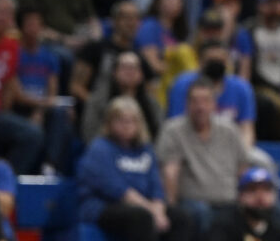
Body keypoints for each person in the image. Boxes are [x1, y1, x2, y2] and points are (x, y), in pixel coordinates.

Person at [77, 96, 194, 241]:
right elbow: (117, 190)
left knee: (182, 218)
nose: (126, 125)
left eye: (132, 121)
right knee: (141, 218)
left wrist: (159, 209)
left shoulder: (146, 149)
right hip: (104, 206)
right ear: (109, 123)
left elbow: (156, 185)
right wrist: (152, 210)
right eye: (120, 120)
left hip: (143, 206)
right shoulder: (99, 148)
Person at [157, 77, 250, 234]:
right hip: (192, 202)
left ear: (214, 104)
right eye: (195, 101)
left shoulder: (229, 130)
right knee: (203, 214)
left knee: (273, 211)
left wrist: (247, 198)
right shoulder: (173, 131)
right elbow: (169, 171)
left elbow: (243, 168)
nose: (200, 107)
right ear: (187, 104)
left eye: (206, 101)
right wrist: (170, 207)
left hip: (229, 201)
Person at [7, 5, 70, 173]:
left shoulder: (50, 56)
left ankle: (50, 165)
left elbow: (52, 90)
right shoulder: (14, 53)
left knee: (59, 114)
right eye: (29, 24)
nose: (34, 28)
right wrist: (39, 107)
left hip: (42, 106)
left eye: (38, 24)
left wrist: (40, 110)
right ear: (20, 27)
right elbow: (16, 94)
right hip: (18, 106)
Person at [237, 0, 280, 141]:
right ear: (260, 6)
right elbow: (248, 68)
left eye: (278, 3)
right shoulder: (250, 30)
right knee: (269, 104)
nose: (274, 8)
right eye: (269, 3)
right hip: (259, 85)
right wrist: (278, 90)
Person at [166, 40, 256, 147]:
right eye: (211, 61)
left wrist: (242, 153)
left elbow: (247, 128)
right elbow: (176, 126)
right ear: (200, 61)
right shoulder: (182, 85)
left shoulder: (242, 88)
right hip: (191, 148)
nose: (216, 65)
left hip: (231, 149)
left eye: (220, 61)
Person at [0, 0, 44, 174]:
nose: (3, 16)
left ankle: (5, 185)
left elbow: (9, 85)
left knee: (32, 134)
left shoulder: (12, 45)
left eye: (8, 12)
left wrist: (39, 107)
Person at [82, 50, 163, 143]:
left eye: (134, 67)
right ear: (114, 73)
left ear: (141, 75)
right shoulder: (98, 101)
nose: (130, 71)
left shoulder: (151, 103)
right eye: (124, 67)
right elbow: (88, 134)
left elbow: (160, 134)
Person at [208, 167, 280, 241]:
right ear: (240, 196)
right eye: (252, 190)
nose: (260, 197)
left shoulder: (279, 225)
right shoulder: (224, 224)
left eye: (266, 190)